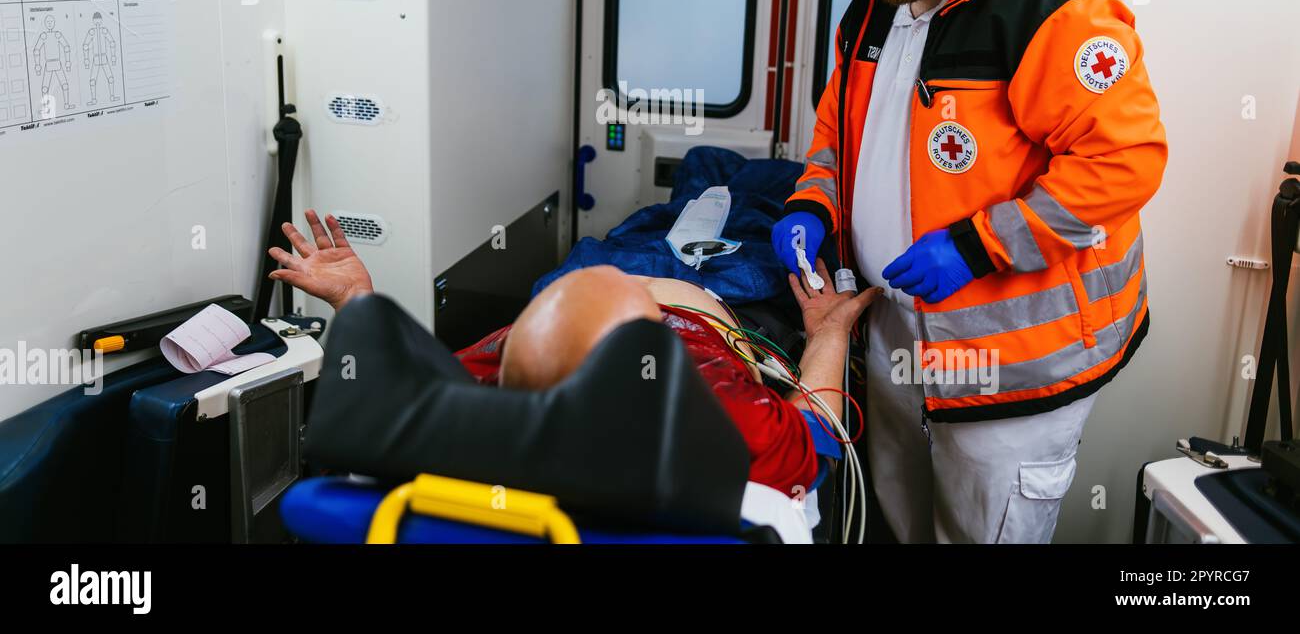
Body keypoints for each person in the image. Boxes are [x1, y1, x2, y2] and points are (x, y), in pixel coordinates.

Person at [771, 0, 1167, 543]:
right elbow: (838, 135)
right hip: (893, 334)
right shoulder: (871, 9)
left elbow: (1124, 163)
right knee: (903, 520)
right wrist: (811, 203)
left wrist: (978, 246)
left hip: (1011, 364)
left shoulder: (1048, 5)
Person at [267, 208, 882, 499]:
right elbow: (821, 435)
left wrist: (354, 296)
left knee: (648, 223)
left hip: (574, 285)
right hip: (715, 298)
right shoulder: (720, 412)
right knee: (742, 205)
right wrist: (827, 331)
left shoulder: (471, 391)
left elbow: (381, 384)